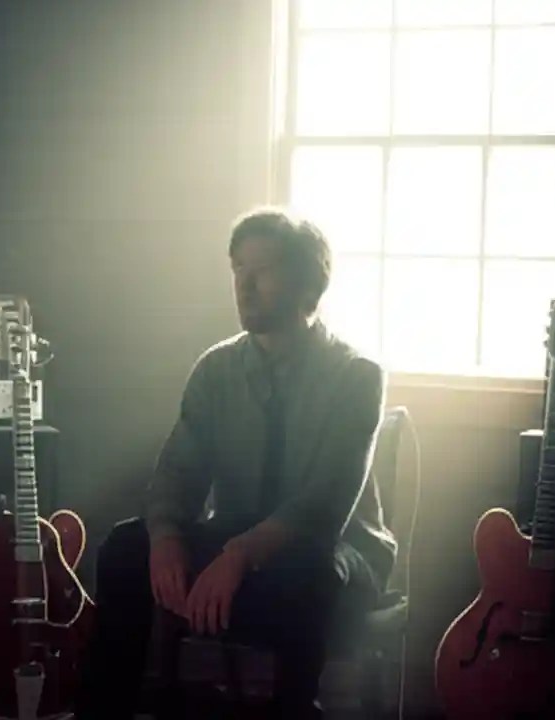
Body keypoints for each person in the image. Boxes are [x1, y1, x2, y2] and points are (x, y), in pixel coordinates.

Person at [73, 208, 397, 719]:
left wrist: (241, 554)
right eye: (237, 269)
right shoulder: (217, 368)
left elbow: (324, 507)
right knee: (123, 547)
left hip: (334, 554)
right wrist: (166, 537)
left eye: (262, 270)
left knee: (306, 572)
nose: (244, 286)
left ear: (306, 283)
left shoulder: (356, 375)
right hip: (235, 541)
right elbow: (177, 470)